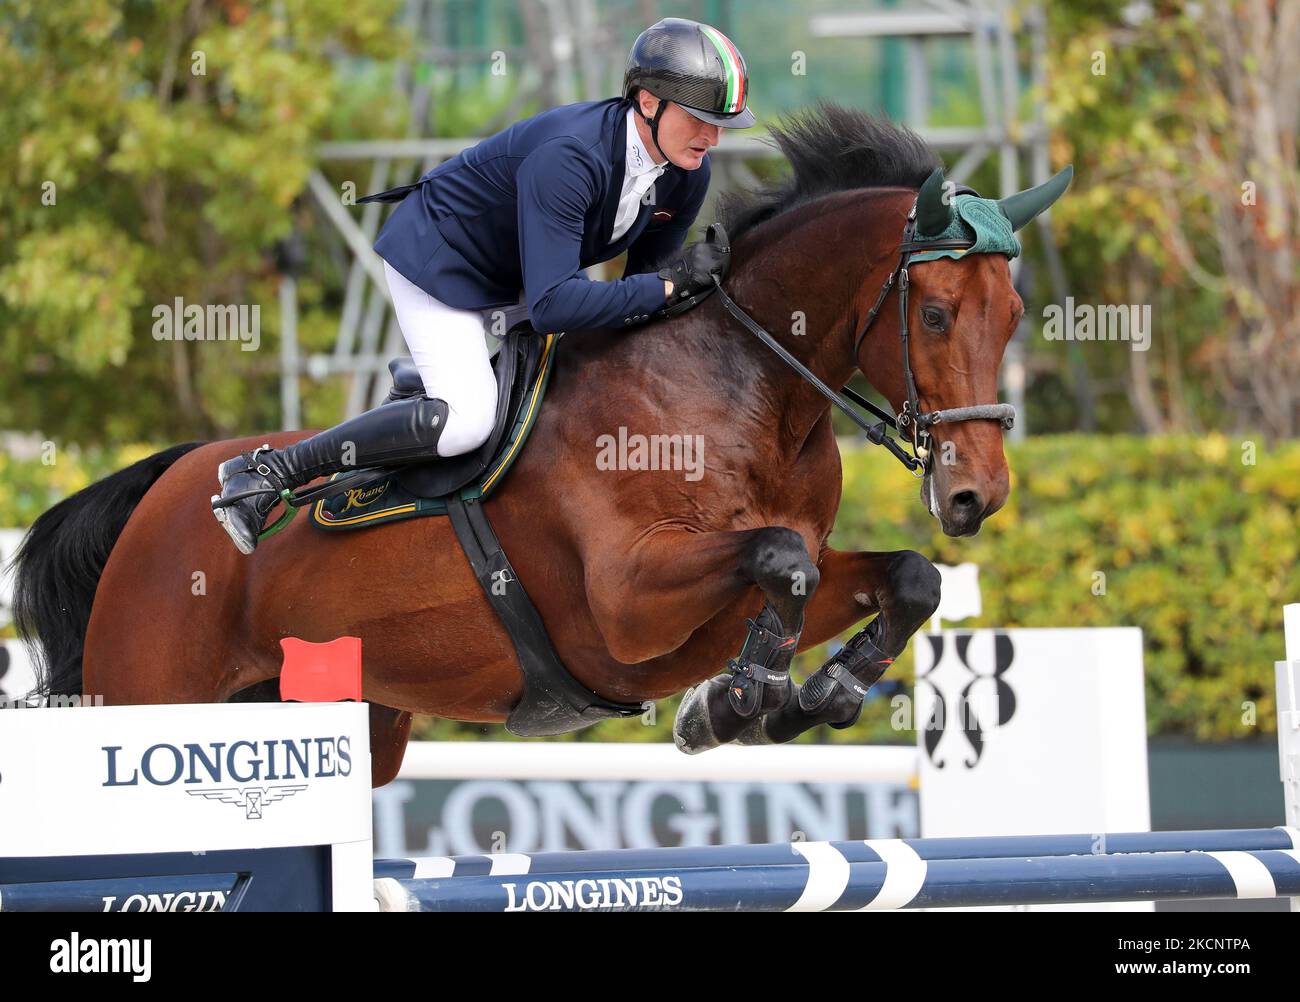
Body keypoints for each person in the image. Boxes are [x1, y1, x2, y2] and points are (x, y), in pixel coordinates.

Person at [212, 16, 756, 554]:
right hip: (442, 264)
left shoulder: (687, 172)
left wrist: (679, 291)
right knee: (467, 424)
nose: (712, 136)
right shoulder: (572, 157)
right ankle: (267, 472)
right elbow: (556, 305)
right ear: (647, 103)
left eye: (721, 123)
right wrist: (669, 288)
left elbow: (639, 289)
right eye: (698, 117)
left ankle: (415, 388)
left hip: (520, 277)